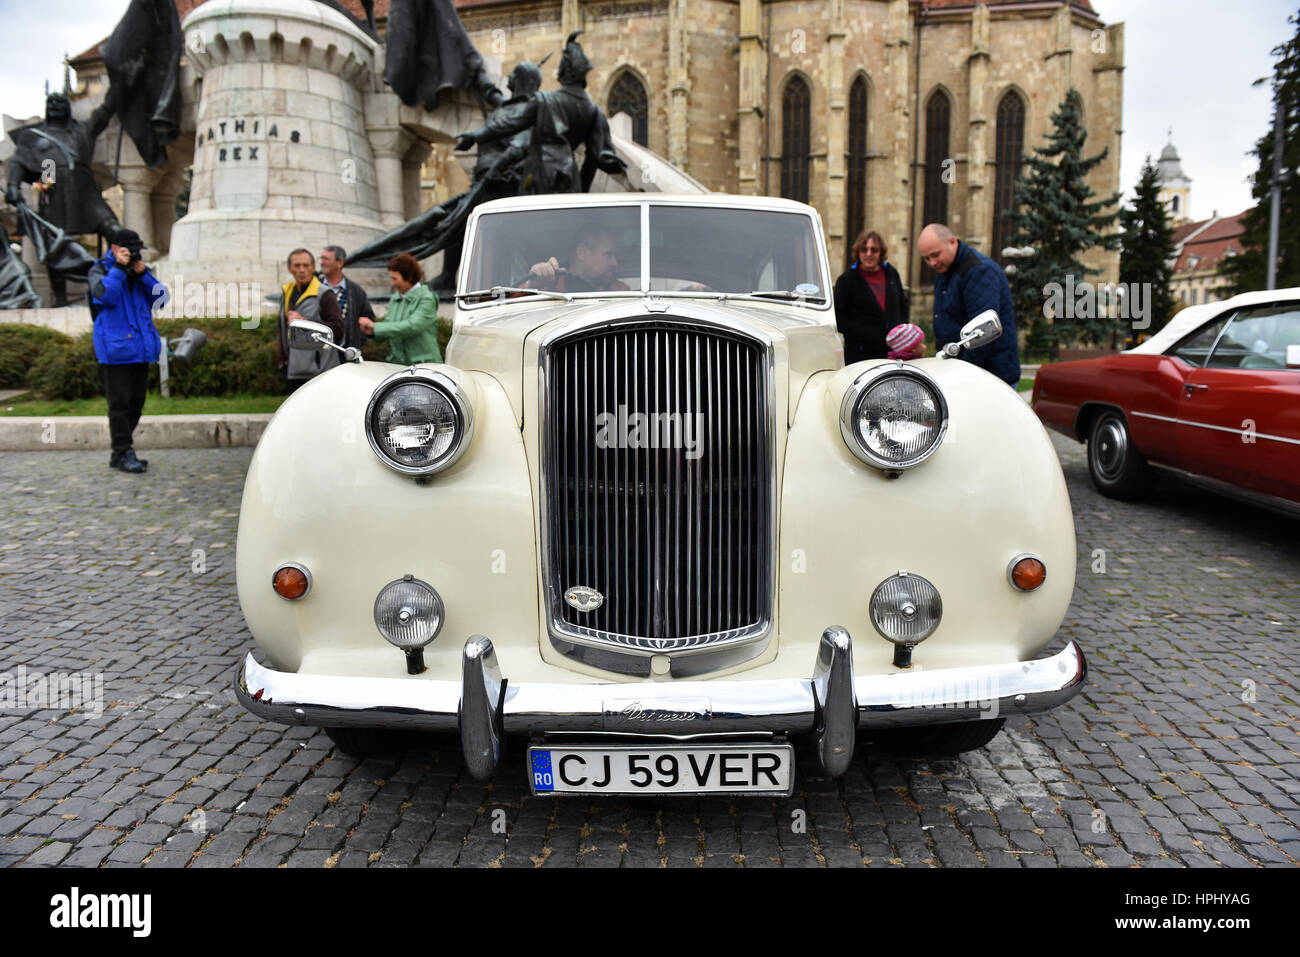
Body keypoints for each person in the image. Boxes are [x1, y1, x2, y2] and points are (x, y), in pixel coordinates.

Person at [6, 91, 119, 306]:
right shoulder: (34, 135)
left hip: (85, 190)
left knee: (113, 228)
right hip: (53, 186)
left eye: (60, 102)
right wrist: (13, 186)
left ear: (68, 107)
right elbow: (18, 162)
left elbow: (105, 112)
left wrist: (122, 83)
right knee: (55, 245)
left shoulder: (81, 130)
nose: (55, 105)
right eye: (51, 102)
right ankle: (59, 298)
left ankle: (114, 281)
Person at [88, 226, 165, 474]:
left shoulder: (140, 271)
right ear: (113, 249)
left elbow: (162, 300)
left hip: (141, 348)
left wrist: (144, 275)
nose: (133, 254)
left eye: (135, 250)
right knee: (119, 405)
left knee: (136, 404)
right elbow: (104, 297)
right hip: (116, 349)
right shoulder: (100, 269)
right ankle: (123, 452)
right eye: (127, 250)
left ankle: (118, 452)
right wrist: (119, 269)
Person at [916, 223, 1020, 385]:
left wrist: (960, 372)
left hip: (988, 377)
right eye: (926, 258)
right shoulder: (945, 271)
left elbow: (983, 334)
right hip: (964, 371)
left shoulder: (979, 271)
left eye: (936, 254)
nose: (932, 263)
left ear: (952, 242)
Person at [833, 230, 908, 363]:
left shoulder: (892, 274)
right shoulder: (846, 280)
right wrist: (866, 334)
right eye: (864, 250)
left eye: (874, 250)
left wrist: (901, 331)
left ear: (881, 253)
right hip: (860, 355)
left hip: (892, 353)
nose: (869, 254)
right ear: (858, 252)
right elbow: (838, 319)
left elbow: (902, 307)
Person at [276, 248, 344, 392]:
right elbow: (281, 329)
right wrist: (282, 360)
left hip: (319, 372)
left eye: (306, 265)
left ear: (313, 267)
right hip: (293, 370)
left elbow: (338, 330)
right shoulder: (286, 292)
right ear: (289, 268)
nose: (301, 270)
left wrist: (304, 322)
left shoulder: (325, 294)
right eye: (297, 265)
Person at [358, 254, 441, 364]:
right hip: (399, 366)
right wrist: (372, 331)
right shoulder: (395, 298)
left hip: (425, 366)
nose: (392, 283)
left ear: (409, 277)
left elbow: (412, 327)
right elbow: (389, 327)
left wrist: (376, 327)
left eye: (395, 278)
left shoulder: (427, 299)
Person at [522, 225, 628, 293]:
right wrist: (532, 285)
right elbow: (510, 306)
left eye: (615, 257)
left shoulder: (618, 291)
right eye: (608, 255)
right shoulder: (547, 285)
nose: (614, 263)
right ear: (581, 252)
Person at [318, 245, 376, 353]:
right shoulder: (314, 287)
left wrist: (355, 341)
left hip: (346, 354)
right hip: (319, 353)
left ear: (340, 263)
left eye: (326, 259)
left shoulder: (356, 291)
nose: (321, 262)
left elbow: (368, 319)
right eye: (321, 258)